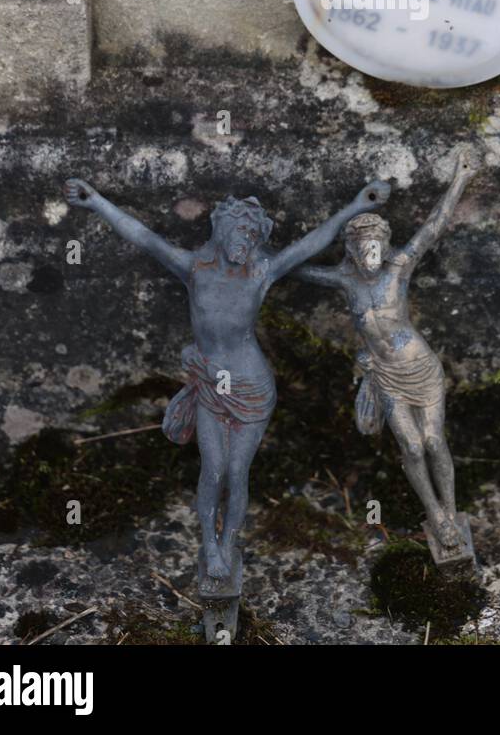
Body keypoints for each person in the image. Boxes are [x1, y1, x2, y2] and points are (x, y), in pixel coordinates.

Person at [63, 174, 390, 582]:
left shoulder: (261, 272)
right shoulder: (194, 268)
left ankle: (230, 541)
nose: (247, 239)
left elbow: (311, 242)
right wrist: (96, 201)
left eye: (254, 233)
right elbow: (144, 238)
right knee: (212, 469)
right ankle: (210, 545)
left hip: (251, 387)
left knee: (237, 473)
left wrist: (358, 205)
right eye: (240, 229)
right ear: (220, 230)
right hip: (210, 385)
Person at [293, 149, 476, 555]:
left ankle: (451, 509)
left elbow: (434, 227)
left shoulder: (400, 267)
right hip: (386, 376)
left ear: (384, 247)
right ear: (354, 252)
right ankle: (437, 517)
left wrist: (460, 178)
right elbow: (293, 266)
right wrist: (258, 259)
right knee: (410, 447)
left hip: (420, 368)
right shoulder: (344, 280)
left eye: (377, 249)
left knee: (432, 441)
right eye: (364, 251)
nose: (372, 259)